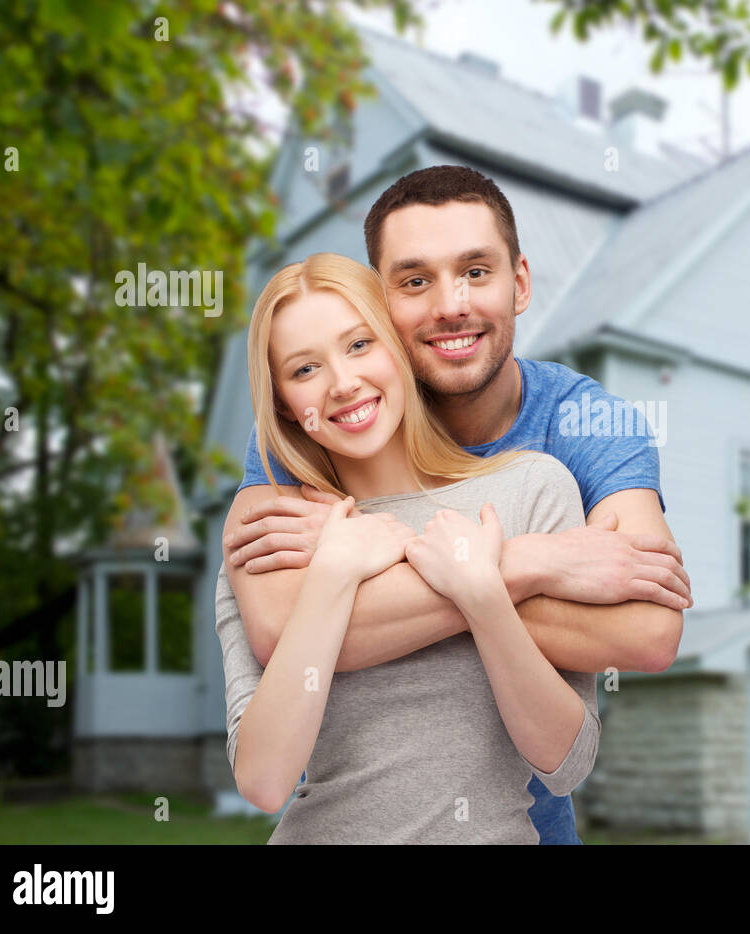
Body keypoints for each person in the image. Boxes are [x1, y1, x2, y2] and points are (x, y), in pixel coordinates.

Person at [221, 165, 691, 844]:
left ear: (520, 283)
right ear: (382, 303)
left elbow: (645, 630)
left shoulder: (572, 439)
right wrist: (521, 564)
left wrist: (437, 586)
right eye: (415, 281)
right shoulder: (295, 456)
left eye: (476, 271)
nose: (450, 305)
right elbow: (273, 629)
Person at [216, 251, 597, 843]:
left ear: (397, 347)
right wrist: (335, 571)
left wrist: (483, 593)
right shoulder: (276, 537)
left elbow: (566, 763)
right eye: (304, 369)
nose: (343, 383)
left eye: (359, 344)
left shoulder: (530, 490)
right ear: (286, 407)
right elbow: (264, 780)